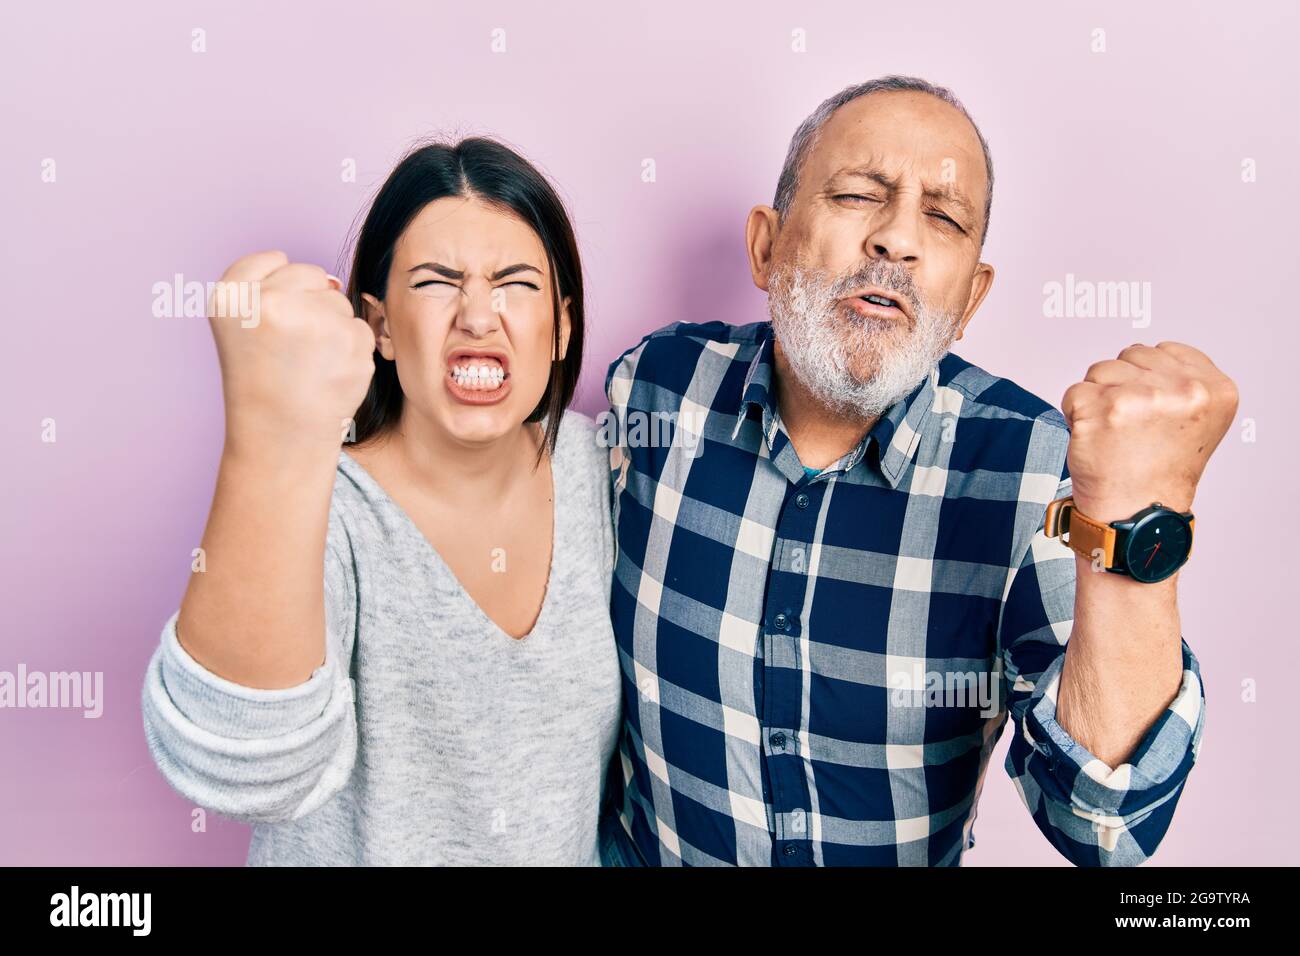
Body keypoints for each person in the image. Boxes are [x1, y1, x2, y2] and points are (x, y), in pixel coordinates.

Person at [597, 75, 1238, 866]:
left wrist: (1143, 518)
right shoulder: (655, 389)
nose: (896, 241)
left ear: (969, 300)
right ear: (766, 247)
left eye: (942, 217)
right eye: (859, 195)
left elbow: (1106, 826)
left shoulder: (1037, 472)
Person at [141, 137, 621, 865]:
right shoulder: (324, 504)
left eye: (516, 284)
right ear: (381, 327)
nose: (478, 316)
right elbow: (238, 768)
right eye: (436, 282)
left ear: (562, 327)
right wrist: (272, 432)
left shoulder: (602, 472)